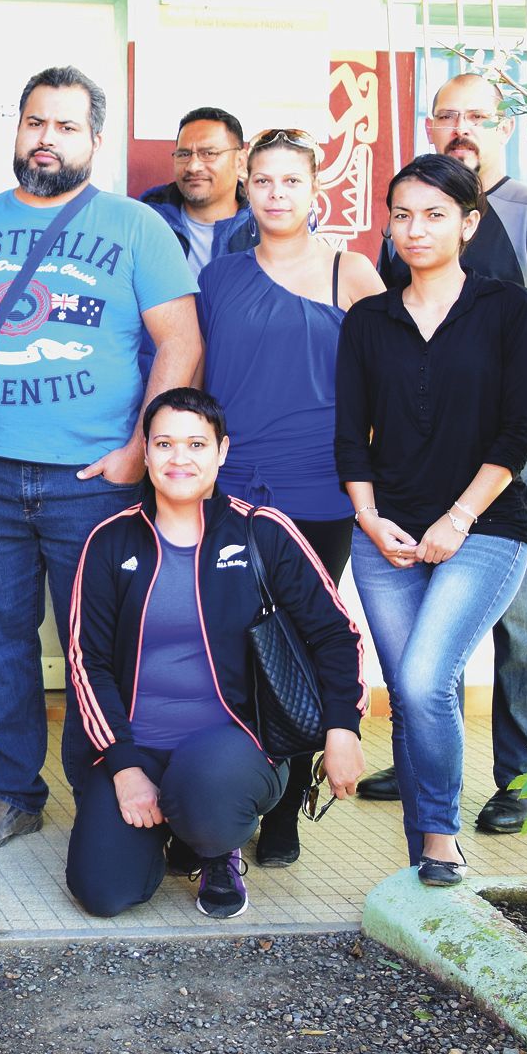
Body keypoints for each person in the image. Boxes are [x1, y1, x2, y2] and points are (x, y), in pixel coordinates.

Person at [0, 65, 201, 853]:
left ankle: (103, 788)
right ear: (15, 131)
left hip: (92, 479)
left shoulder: (136, 227)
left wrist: (138, 449)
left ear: (93, 139)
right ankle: (11, 791)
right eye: (33, 123)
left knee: (103, 645)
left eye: (63, 126)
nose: (45, 139)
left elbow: (180, 340)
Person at [359, 72, 527, 835]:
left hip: (507, 456)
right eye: (447, 114)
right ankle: (423, 753)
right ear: (429, 126)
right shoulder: (408, 223)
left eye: (477, 115)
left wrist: (505, 410)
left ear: (503, 127)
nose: (461, 125)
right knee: (430, 608)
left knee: (519, 614)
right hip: (417, 456)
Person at [64, 389, 366, 919]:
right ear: (146, 451)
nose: (180, 458)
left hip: (233, 748)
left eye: (196, 443)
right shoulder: (110, 542)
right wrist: (126, 767)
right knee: (102, 892)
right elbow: (87, 663)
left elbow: (336, 634)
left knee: (206, 786)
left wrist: (343, 728)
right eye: (164, 443)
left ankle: (213, 847)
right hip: (140, 745)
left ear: (222, 451)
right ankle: (167, 829)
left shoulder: (262, 532)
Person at [337, 152, 527, 886]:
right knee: (407, 694)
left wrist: (457, 517)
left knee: (427, 676)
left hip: (485, 526)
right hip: (386, 529)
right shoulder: (368, 318)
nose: (414, 228)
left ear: (468, 223)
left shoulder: (510, 310)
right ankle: (422, 852)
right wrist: (367, 519)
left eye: (433, 214)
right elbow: (348, 433)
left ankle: (440, 839)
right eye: (401, 214)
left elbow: (521, 431)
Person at [196, 127, 382, 868]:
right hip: (232, 485)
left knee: (301, 643)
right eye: (262, 181)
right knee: (228, 640)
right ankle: (233, 793)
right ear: (245, 188)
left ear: (316, 192)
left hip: (318, 487)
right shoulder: (218, 278)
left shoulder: (353, 272)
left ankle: (285, 809)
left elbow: (387, 382)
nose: (275, 194)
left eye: (290, 181)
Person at [137, 106, 258, 274]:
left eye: (208, 153)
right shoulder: (143, 221)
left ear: (240, 162)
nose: (193, 167)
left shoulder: (263, 228)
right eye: (184, 154)